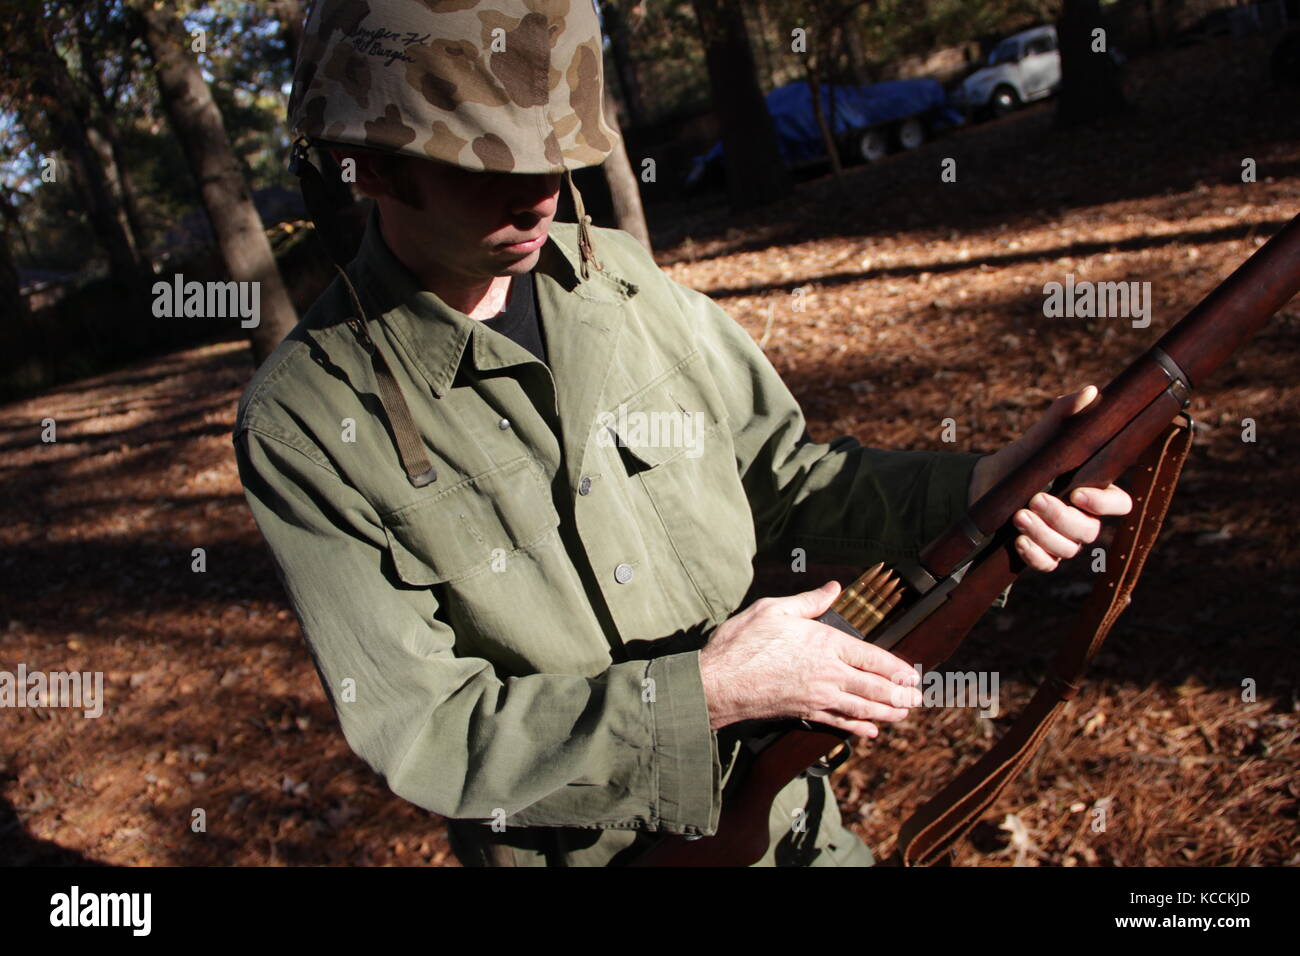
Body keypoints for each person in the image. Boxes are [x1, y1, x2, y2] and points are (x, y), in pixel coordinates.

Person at [233, 0, 1131, 867]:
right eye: (489, 166)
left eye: (556, 153)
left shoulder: (616, 277)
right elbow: (425, 729)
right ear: (373, 165)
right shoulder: (307, 419)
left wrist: (983, 486)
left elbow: (781, 478)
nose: (540, 196)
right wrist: (705, 694)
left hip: (790, 817)